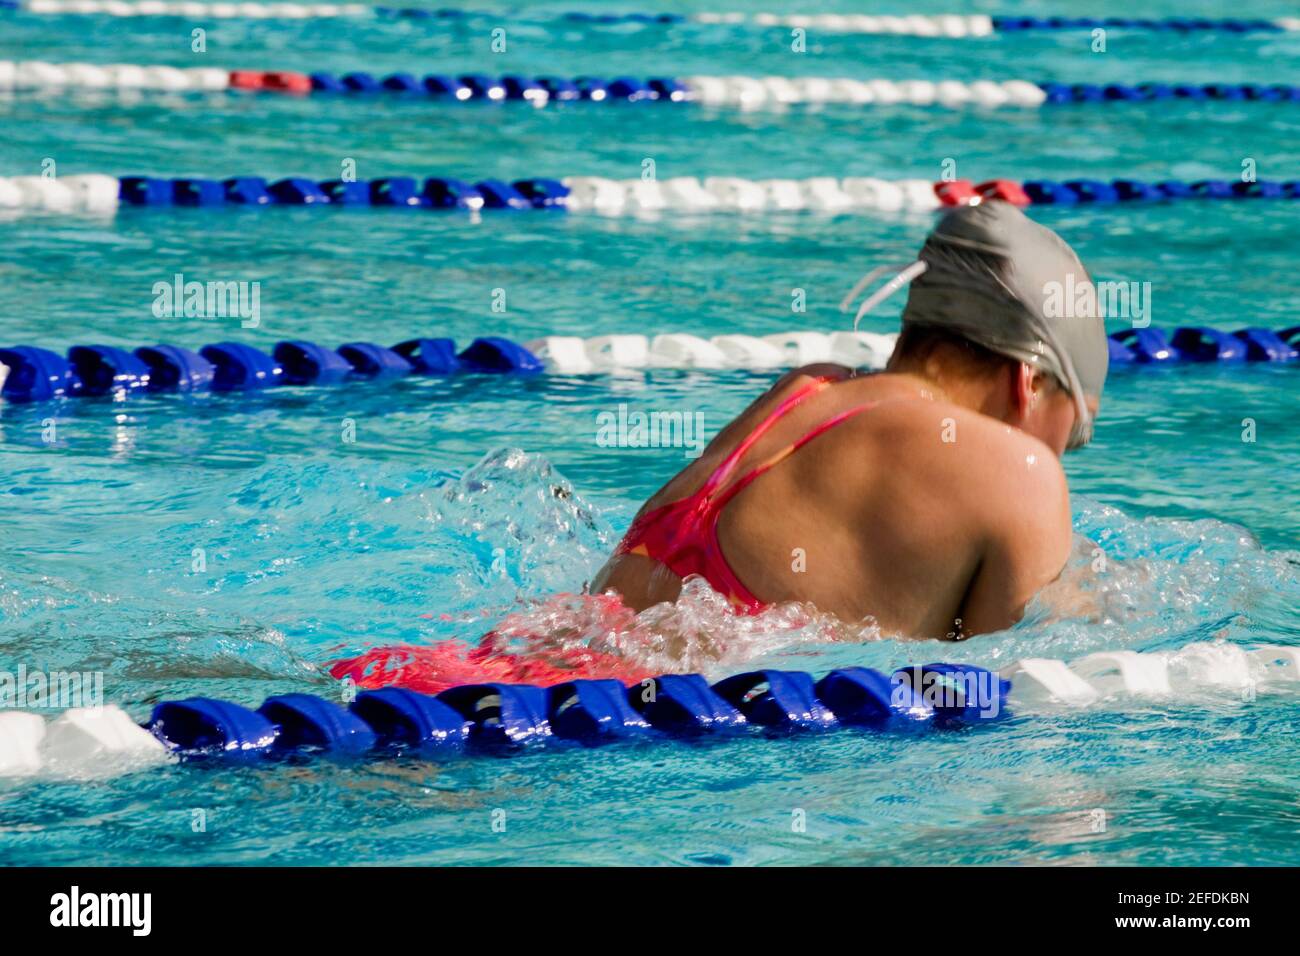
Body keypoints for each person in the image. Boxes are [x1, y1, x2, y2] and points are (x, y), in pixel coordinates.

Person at [590, 200, 1108, 639]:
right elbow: (1015, 693)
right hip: (644, 715)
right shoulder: (1021, 471)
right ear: (1031, 381)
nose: (1058, 456)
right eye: (1071, 434)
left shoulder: (807, 389)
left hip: (542, 664)